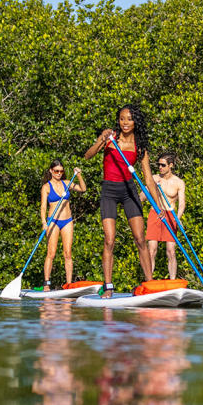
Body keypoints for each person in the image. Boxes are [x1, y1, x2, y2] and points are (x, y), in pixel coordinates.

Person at [83, 105, 165, 297]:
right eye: (122, 119)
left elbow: (148, 180)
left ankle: (149, 284)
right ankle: (109, 286)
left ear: (136, 122)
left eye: (129, 119)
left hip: (129, 192)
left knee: (140, 239)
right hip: (109, 191)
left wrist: (159, 205)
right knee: (109, 240)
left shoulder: (140, 146)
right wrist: (101, 140)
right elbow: (88, 156)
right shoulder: (110, 138)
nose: (125, 122)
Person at [39, 160, 86, 290]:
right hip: (52, 221)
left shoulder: (67, 183)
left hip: (67, 221)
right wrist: (43, 222)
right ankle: (46, 283)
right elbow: (43, 207)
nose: (59, 173)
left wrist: (78, 175)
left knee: (68, 253)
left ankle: (68, 284)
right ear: (51, 171)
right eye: (56, 171)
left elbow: (83, 189)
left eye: (61, 171)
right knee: (51, 253)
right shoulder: (46, 187)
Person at [145, 152, 186, 280]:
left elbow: (182, 203)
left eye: (163, 165)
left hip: (170, 215)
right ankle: (149, 280)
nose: (160, 167)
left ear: (171, 165)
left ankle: (172, 281)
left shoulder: (179, 182)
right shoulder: (155, 178)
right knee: (152, 250)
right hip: (155, 213)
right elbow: (142, 195)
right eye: (159, 165)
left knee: (171, 251)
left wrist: (178, 218)